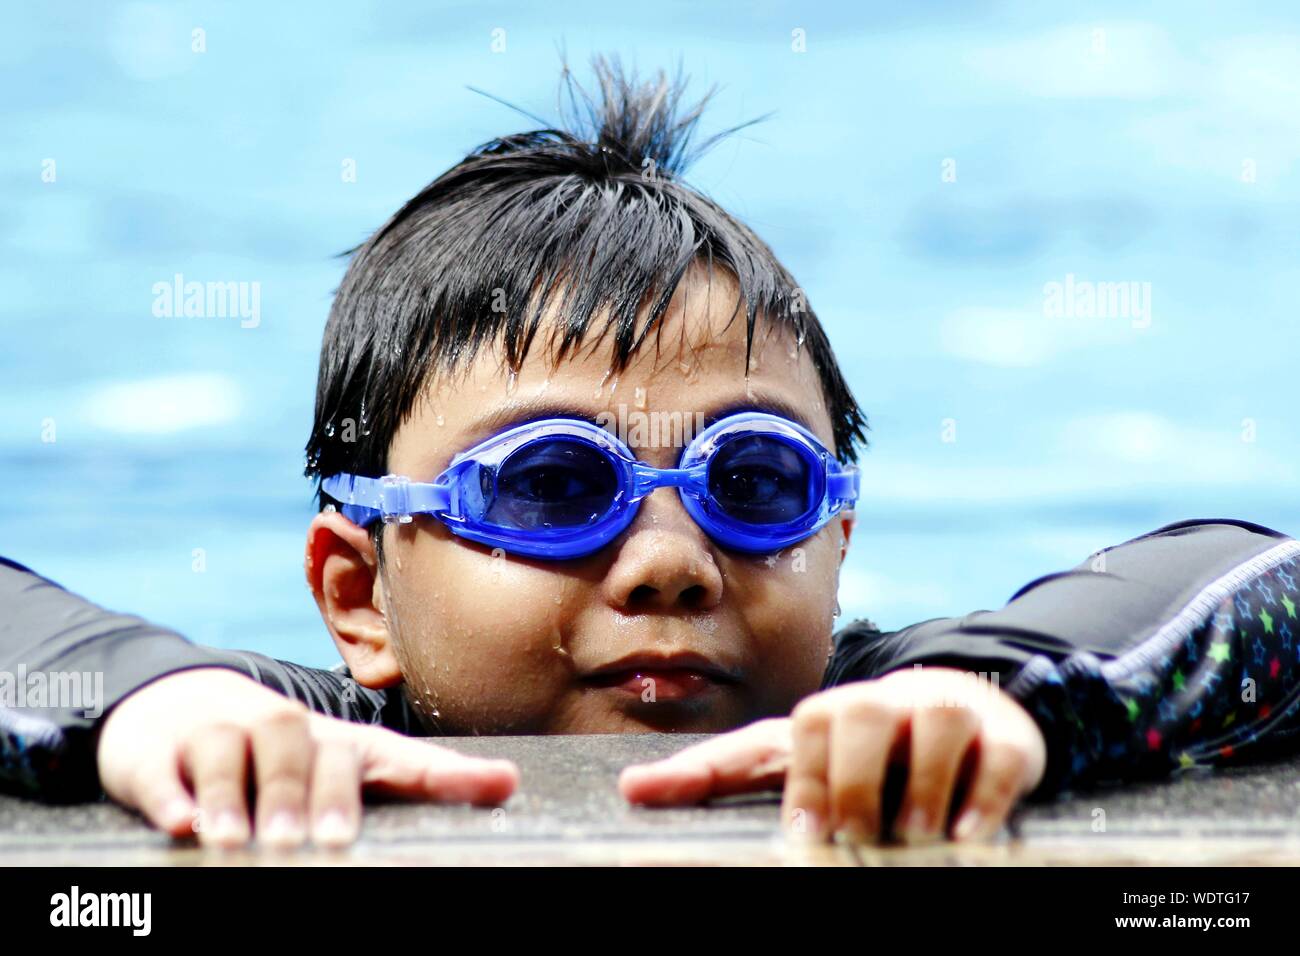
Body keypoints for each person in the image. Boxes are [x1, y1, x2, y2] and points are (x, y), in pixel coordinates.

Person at [4, 59, 1298, 850]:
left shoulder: (885, 698)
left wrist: (998, 697)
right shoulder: (292, 733)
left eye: (754, 486)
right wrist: (140, 704)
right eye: (554, 488)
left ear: (835, 554)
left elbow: (1258, 572)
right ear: (357, 596)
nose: (674, 566)